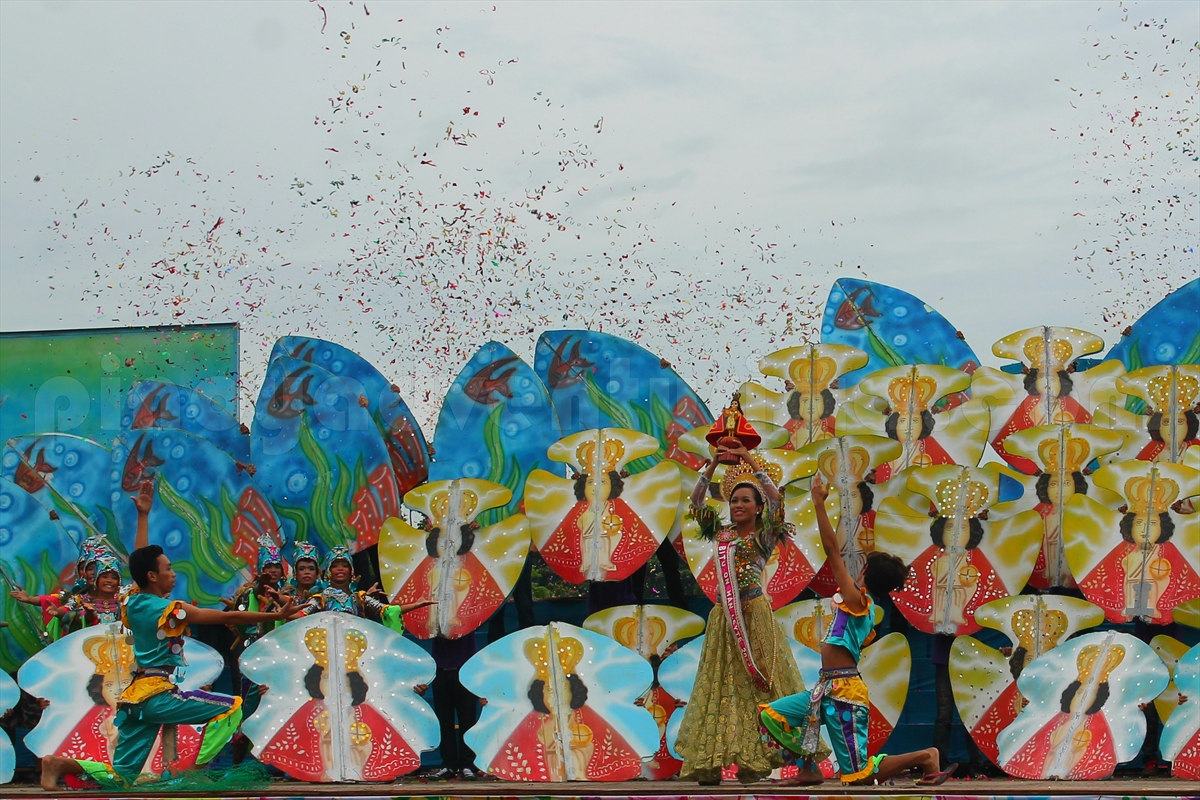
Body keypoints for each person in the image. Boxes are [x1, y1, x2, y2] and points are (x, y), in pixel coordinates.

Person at [39, 542, 297, 790]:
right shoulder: (172, 610)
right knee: (232, 708)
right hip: (157, 695)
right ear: (152, 575)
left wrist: (142, 515)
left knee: (122, 777)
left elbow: (139, 558)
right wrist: (276, 615)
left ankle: (58, 763)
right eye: (169, 569)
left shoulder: (132, 602)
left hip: (134, 699)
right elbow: (227, 616)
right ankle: (196, 773)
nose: (173, 574)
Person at [759, 477, 956, 786]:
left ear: (864, 573)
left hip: (845, 694)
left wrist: (819, 504)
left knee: (856, 775)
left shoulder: (857, 601)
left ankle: (926, 757)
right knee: (774, 715)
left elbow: (832, 551)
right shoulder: (860, 606)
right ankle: (808, 770)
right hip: (826, 688)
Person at [673, 444, 804, 785]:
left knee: (761, 684)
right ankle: (710, 762)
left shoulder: (764, 537)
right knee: (718, 688)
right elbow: (696, 503)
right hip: (724, 619)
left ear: (759, 508)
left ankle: (755, 760)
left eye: (746, 500)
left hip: (754, 616)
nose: (738, 505)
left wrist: (748, 460)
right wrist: (714, 463)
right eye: (734, 500)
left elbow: (778, 502)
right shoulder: (722, 535)